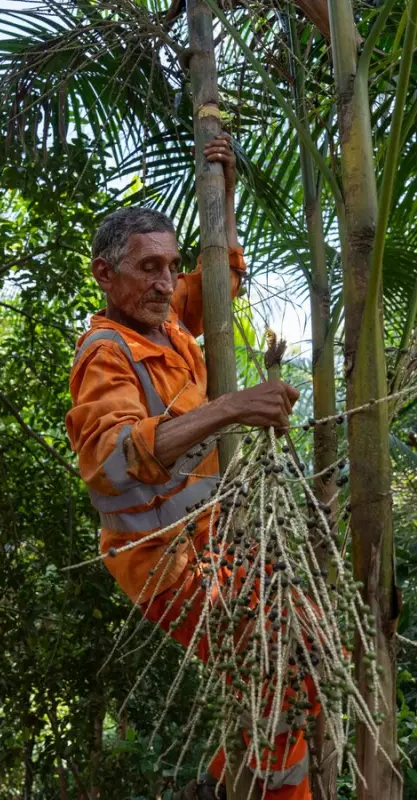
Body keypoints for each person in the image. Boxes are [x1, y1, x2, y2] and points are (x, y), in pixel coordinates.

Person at [66, 136, 312, 799]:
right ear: (103, 274)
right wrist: (230, 407)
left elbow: (218, 281)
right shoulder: (106, 355)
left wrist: (222, 196)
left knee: (313, 657)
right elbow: (111, 463)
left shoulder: (166, 320)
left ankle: (218, 787)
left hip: (215, 538)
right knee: (275, 674)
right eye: (147, 268)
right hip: (159, 556)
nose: (161, 283)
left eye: (169, 267)